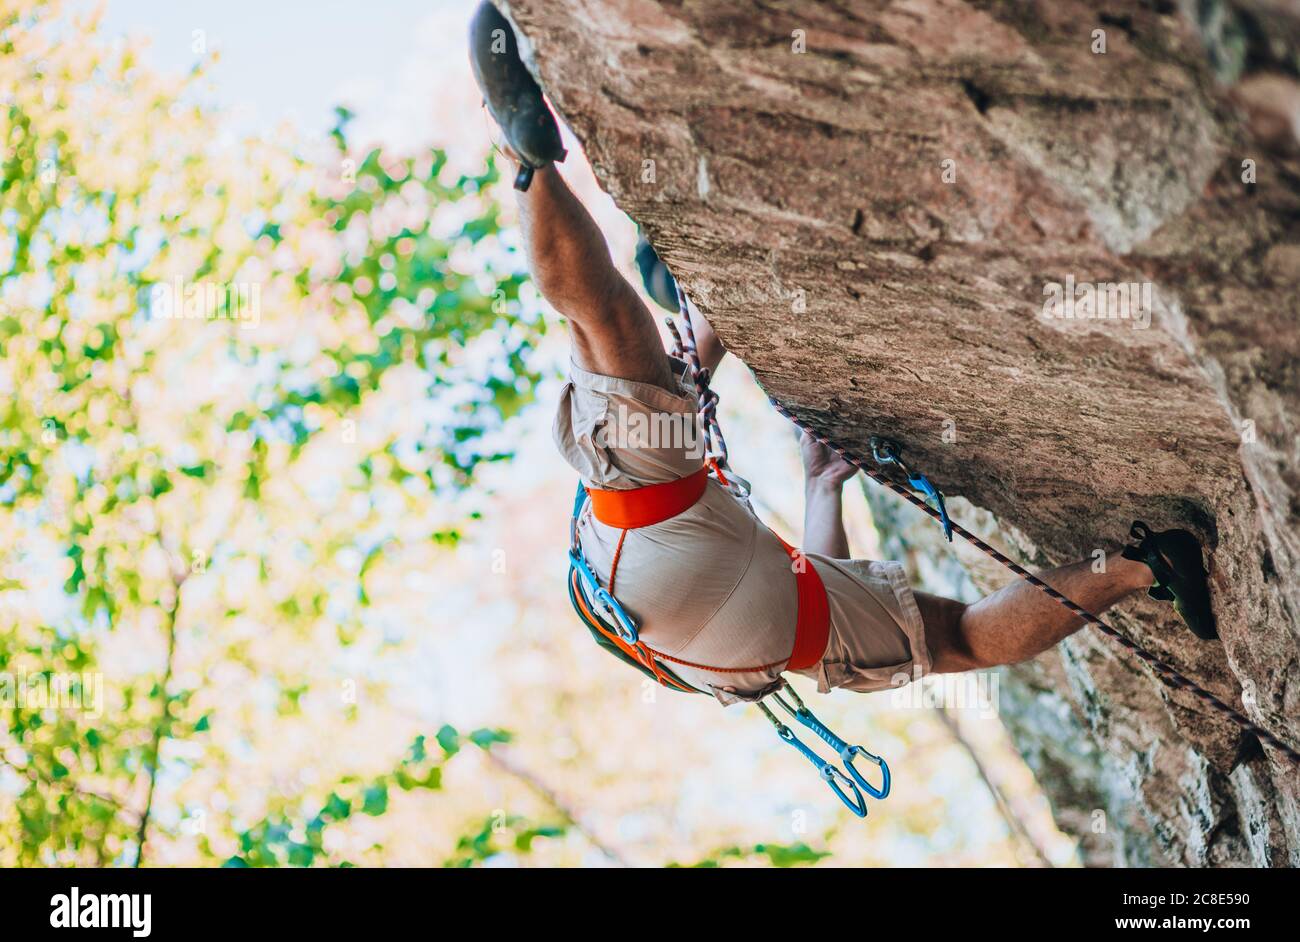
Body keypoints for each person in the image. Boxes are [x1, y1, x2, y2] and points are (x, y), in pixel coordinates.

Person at [467, 2, 1219, 705]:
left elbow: (806, 578)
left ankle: (1143, 565)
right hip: (635, 542)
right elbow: (672, 419)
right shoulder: (629, 523)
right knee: (603, 326)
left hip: (747, 650)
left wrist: (821, 486)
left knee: (959, 640)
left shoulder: (727, 621)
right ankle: (526, 159)